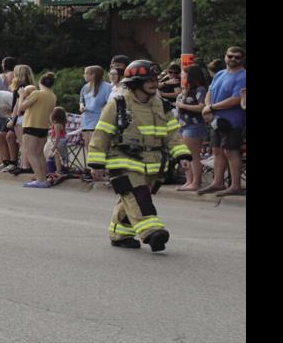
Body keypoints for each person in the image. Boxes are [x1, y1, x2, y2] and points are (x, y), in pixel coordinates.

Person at [88, 60, 190, 253]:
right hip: (123, 161)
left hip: (153, 164)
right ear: (135, 82)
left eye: (154, 79)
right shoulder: (118, 104)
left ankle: (120, 233)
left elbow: (173, 134)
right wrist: (96, 164)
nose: (154, 83)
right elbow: (101, 134)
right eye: (148, 80)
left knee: (130, 200)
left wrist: (182, 154)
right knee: (139, 197)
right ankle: (153, 232)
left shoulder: (162, 106)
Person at [203, 46, 246, 196]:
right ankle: (217, 182)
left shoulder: (243, 76)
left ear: (242, 59)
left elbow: (236, 99)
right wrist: (208, 107)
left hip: (233, 121)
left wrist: (211, 107)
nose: (233, 59)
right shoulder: (220, 74)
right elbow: (210, 91)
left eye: (237, 57)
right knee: (217, 151)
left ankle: (235, 185)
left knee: (231, 151)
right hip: (216, 119)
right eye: (230, 56)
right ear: (225, 56)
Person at [173, 63, 211, 192]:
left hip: (194, 125)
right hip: (183, 125)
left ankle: (196, 182)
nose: (181, 76)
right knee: (185, 155)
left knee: (194, 155)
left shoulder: (200, 89)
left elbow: (201, 106)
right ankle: (188, 181)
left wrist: (183, 106)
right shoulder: (186, 89)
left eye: (184, 74)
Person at [18, 70, 57, 187]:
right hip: (43, 126)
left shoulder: (37, 93)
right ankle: (43, 178)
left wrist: (21, 96)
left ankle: (40, 179)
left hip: (31, 124)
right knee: (39, 153)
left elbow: (21, 107)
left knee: (30, 152)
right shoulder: (52, 96)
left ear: (40, 82)